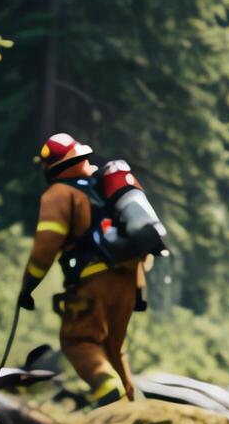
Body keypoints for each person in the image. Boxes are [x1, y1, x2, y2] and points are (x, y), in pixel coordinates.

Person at [20, 134, 146, 406]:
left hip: (93, 279)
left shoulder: (60, 193)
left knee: (78, 342)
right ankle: (131, 409)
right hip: (130, 277)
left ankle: (112, 398)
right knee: (112, 348)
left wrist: (28, 287)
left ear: (50, 166)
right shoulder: (106, 187)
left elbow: (45, 248)